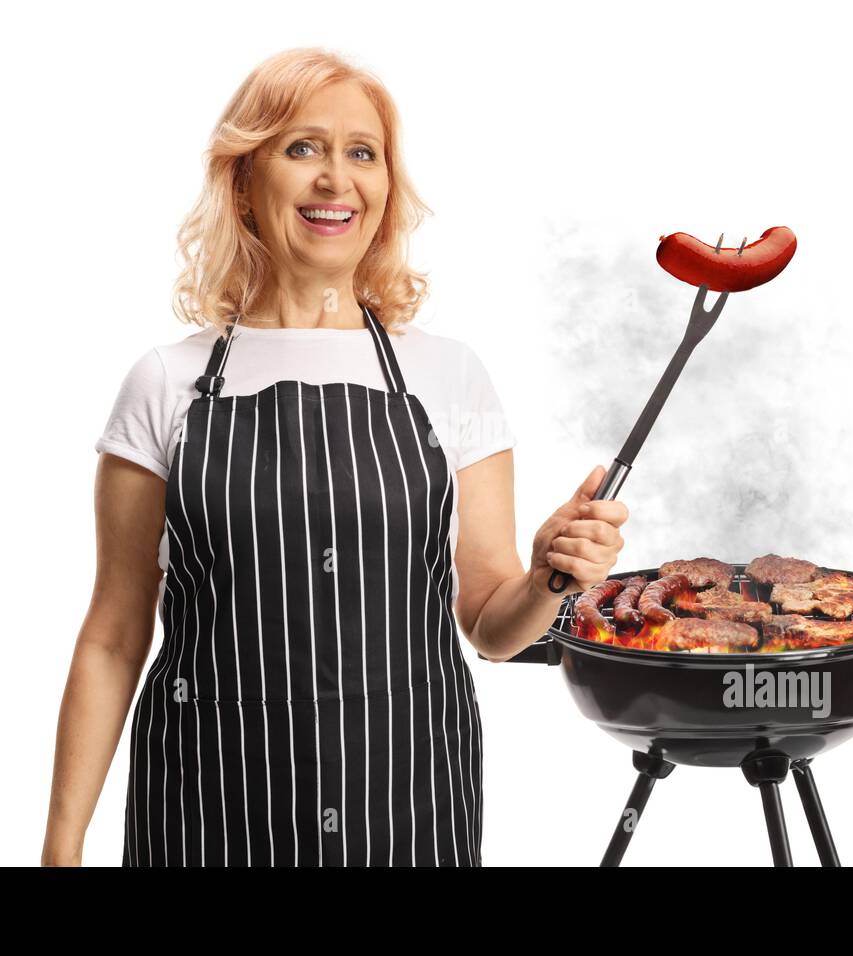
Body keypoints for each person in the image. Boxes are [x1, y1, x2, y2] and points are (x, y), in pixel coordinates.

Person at [41, 47, 629, 867]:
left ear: (387, 189)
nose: (335, 179)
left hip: (408, 804)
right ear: (245, 181)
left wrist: (545, 580)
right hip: (209, 807)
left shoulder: (447, 373)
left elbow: (492, 628)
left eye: (362, 153)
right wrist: (60, 849)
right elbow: (113, 635)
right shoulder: (165, 383)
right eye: (302, 147)